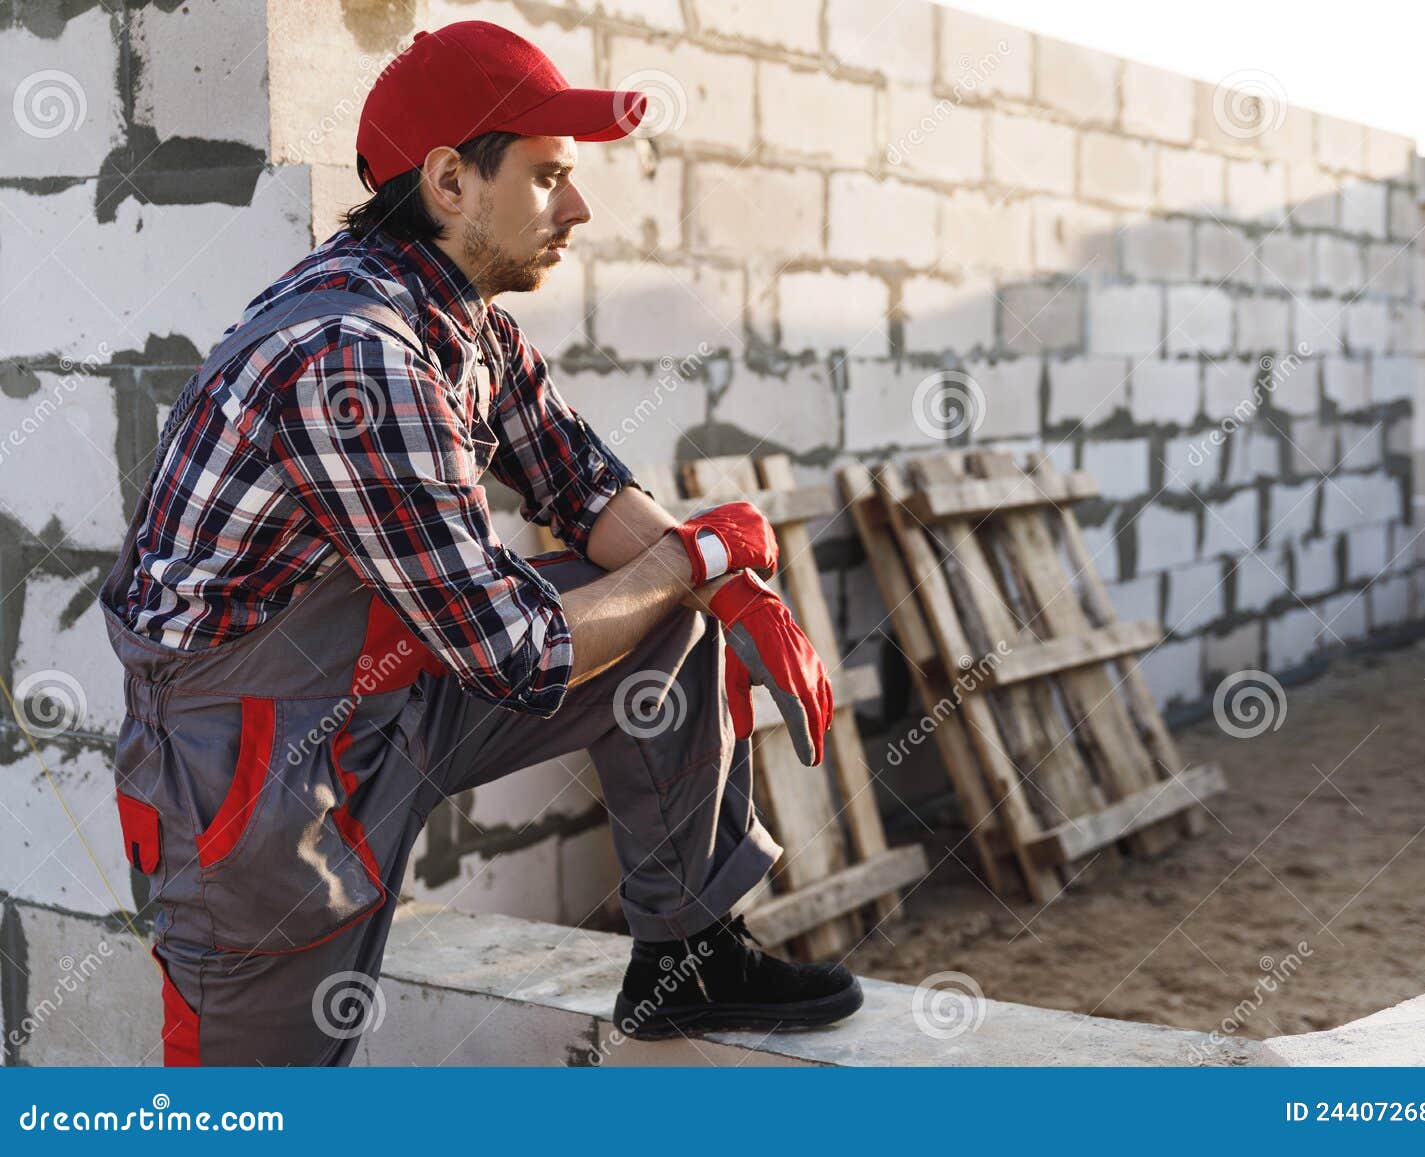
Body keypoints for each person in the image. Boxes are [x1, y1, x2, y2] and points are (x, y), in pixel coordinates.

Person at [98, 20, 860, 1066]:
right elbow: (517, 652)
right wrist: (700, 558)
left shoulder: (462, 321)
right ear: (451, 181)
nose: (580, 206)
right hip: (253, 758)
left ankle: (688, 957)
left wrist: (725, 594)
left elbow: (579, 483)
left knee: (663, 624)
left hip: (384, 678)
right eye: (549, 178)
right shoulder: (355, 357)